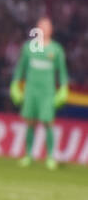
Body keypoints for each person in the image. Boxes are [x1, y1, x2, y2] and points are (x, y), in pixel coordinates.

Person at [10, 16, 71, 168]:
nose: (43, 29)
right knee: (30, 122)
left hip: (47, 92)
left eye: (46, 27)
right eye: (41, 26)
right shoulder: (28, 48)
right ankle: (28, 155)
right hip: (31, 90)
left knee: (48, 123)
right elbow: (20, 69)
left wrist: (64, 88)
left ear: (51, 30)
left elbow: (62, 72)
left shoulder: (56, 49)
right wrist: (15, 84)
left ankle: (50, 157)